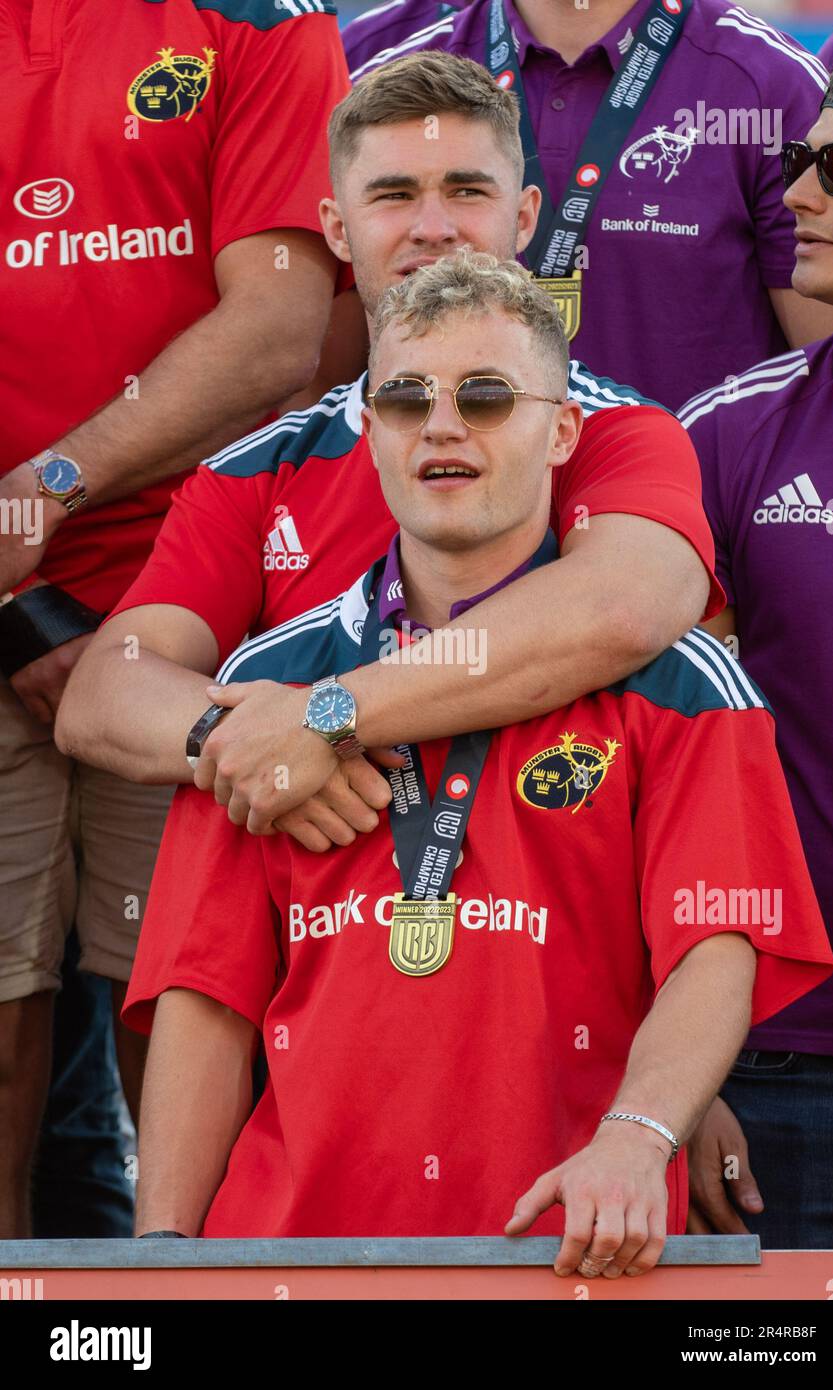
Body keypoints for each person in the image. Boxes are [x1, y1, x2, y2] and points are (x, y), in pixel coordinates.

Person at [122, 254, 833, 1265]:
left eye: (487, 397)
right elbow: (207, 995)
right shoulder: (265, 689)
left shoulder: (679, 683)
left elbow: (715, 948)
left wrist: (637, 1138)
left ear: (563, 433)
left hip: (574, 1249)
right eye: (404, 399)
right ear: (368, 432)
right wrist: (162, 1249)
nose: (442, 426)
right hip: (288, 1260)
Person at [57, 52, 722, 853]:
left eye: (468, 191)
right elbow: (104, 690)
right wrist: (243, 748)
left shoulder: (614, 430)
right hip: (305, 915)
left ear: (525, 218)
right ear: (336, 228)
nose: (433, 226)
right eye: (394, 195)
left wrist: (321, 721)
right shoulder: (260, 469)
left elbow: (625, 607)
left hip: (555, 908)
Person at [0, 0, 348, 1238]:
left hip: (202, 623)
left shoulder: (254, 20)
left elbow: (274, 332)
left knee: (194, 1013)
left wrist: (49, 490)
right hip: (14, 616)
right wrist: (26, 614)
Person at [680, 60, 833, 1248]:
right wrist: (673, 1082)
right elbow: (660, 775)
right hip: (792, 1056)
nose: (795, 192)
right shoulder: (727, 434)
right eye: (799, 158)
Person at [349, 0, 833, 410]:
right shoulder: (372, 62)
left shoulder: (772, 84)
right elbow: (318, 379)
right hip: (436, 512)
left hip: (693, 519)